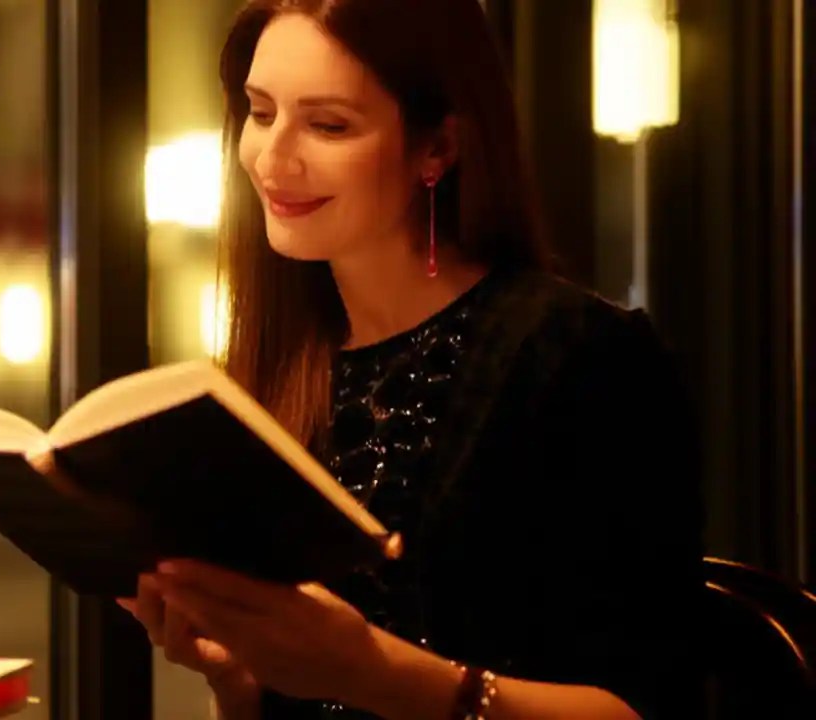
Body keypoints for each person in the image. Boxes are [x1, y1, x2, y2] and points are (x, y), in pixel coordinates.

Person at [116, 0, 706, 718]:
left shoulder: (576, 357)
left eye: (328, 124)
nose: (272, 158)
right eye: (261, 112)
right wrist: (238, 679)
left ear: (438, 149)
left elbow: (648, 707)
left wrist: (373, 671)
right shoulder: (287, 364)